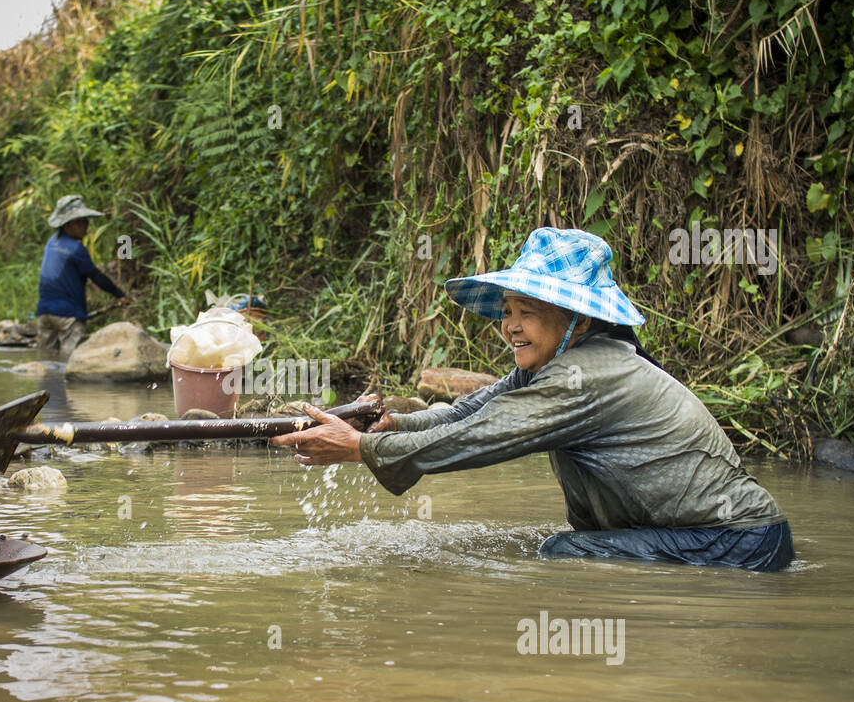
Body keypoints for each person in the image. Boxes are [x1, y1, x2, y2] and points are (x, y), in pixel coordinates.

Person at [271, 227, 794, 572]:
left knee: (563, 553)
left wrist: (358, 449)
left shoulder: (587, 376)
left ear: (579, 320)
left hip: (736, 542)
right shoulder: (562, 366)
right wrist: (387, 425)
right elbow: (467, 412)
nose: (509, 327)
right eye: (508, 310)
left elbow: (482, 438)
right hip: (719, 536)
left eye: (527, 312)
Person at [35, 194, 128, 359]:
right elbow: (97, 277)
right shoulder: (77, 250)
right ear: (69, 224)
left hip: (44, 313)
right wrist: (120, 294)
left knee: (47, 362)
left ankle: (46, 385)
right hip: (68, 315)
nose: (87, 225)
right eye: (82, 221)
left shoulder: (51, 243)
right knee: (70, 363)